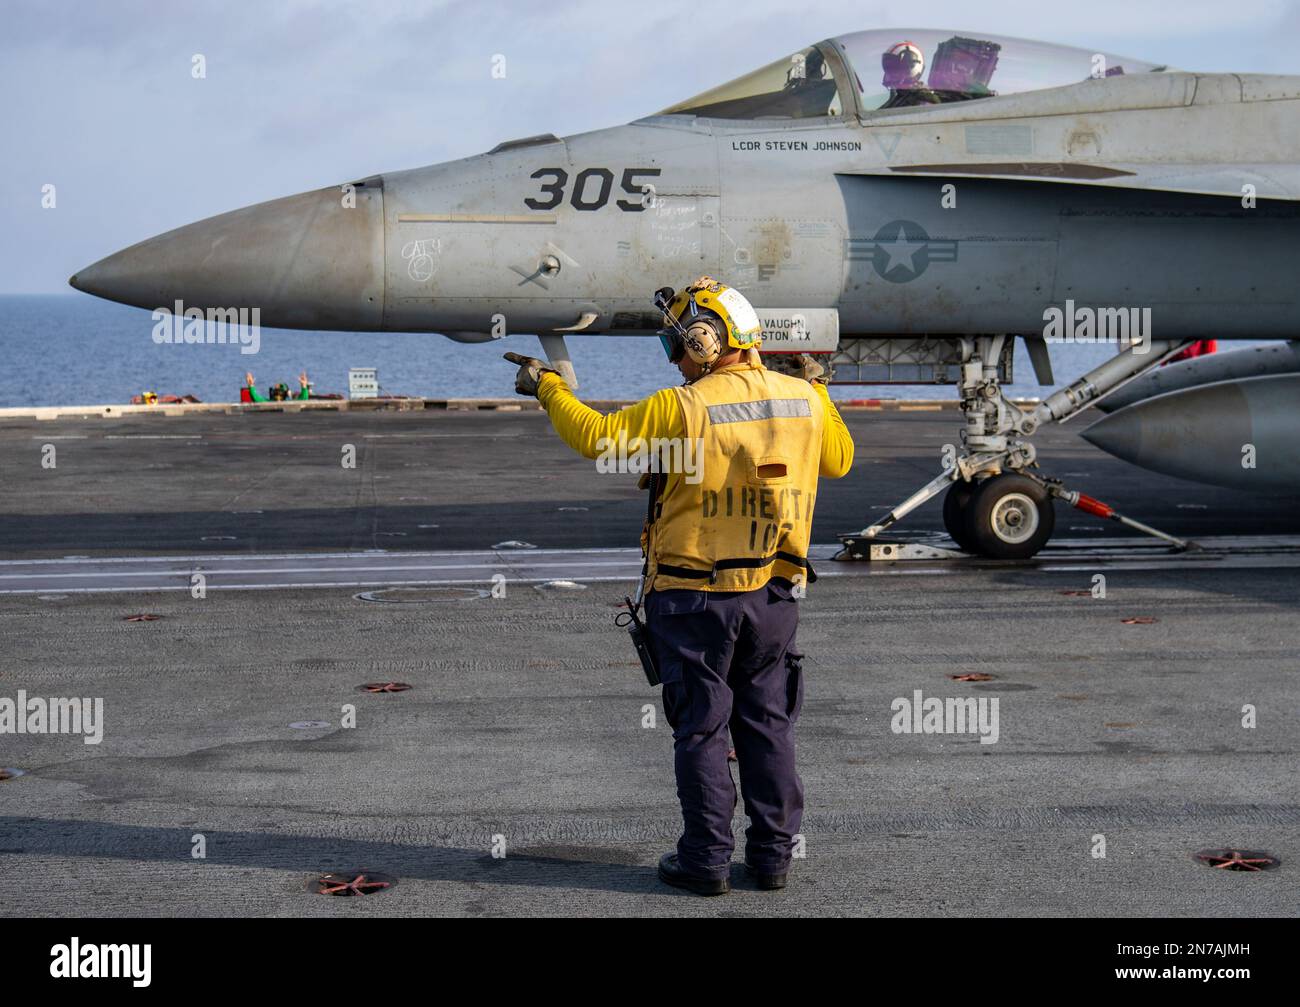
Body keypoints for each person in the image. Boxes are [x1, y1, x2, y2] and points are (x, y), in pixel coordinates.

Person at [505, 276, 854, 896]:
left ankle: (705, 863)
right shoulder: (802, 398)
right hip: (775, 597)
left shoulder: (683, 406)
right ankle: (772, 859)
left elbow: (597, 438)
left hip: (694, 599)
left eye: (678, 344)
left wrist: (547, 387)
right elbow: (839, 460)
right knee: (768, 725)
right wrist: (818, 389)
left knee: (701, 730)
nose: (677, 358)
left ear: (704, 339)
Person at [880, 41, 940, 108]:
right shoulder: (900, 98)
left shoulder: (923, 100)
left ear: (910, 67)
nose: (890, 72)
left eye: (894, 67)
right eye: (888, 67)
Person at [245, 371, 311, 402]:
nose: (278, 394)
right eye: (277, 391)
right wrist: (304, 386)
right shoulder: (289, 403)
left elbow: (256, 398)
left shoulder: (289, 403)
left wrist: (251, 386)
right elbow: (303, 399)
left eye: (279, 391)